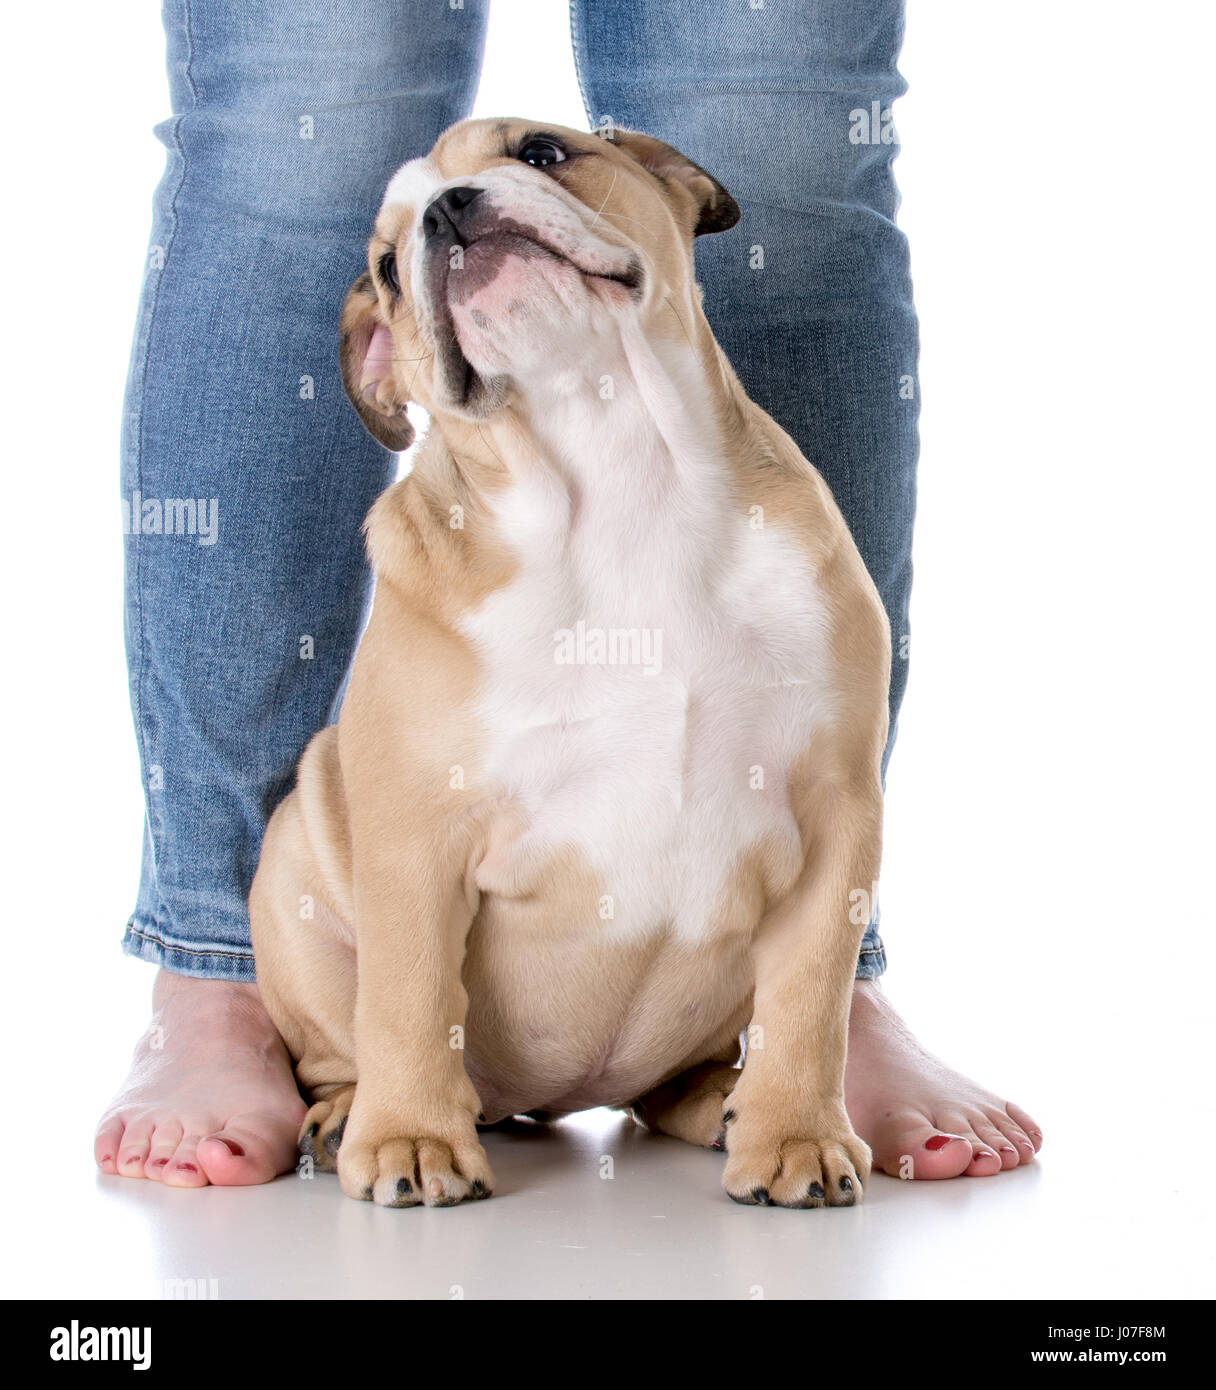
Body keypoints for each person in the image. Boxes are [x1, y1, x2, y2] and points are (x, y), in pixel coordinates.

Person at [96, 0, 1041, 1188]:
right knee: (297, 108)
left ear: (672, 192)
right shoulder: (434, 583)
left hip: (694, 915)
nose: (461, 214)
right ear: (386, 363)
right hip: (397, 957)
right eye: (402, 259)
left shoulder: (802, 564)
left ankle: (792, 1039)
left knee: (782, 104)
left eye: (538, 159)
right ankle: (242, 982)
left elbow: (828, 805)